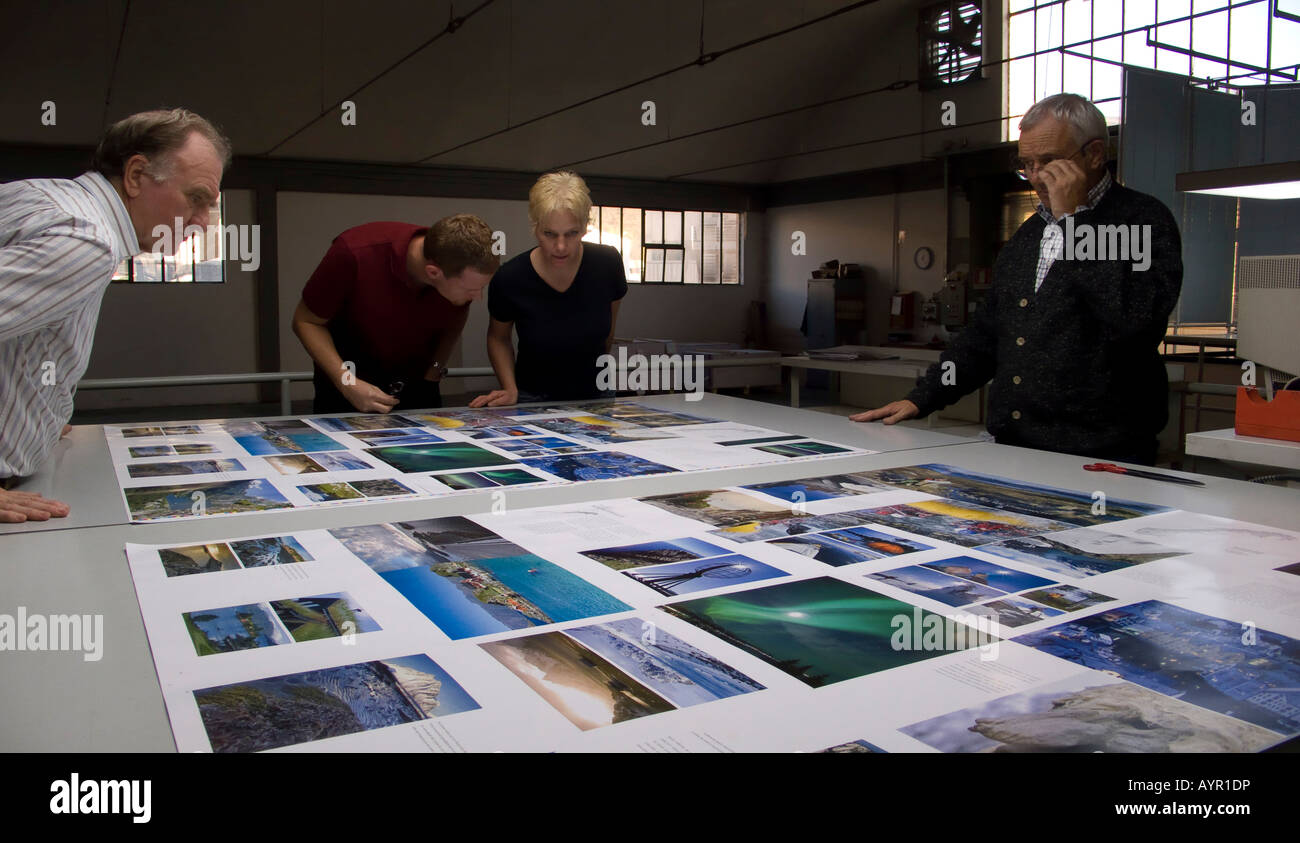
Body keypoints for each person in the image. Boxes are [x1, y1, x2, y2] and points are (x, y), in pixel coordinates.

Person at [852, 93, 1183, 466]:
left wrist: (1074, 222)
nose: (1038, 177)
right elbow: (986, 336)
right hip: (1015, 445)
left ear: (1093, 155)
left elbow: (1134, 322)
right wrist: (924, 397)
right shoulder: (1030, 233)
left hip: (1102, 455)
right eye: (1028, 164)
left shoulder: (1140, 220)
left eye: (1050, 162)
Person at [0, 108, 230, 523]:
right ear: (136, 175)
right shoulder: (86, 241)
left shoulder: (46, 197)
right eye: (196, 198)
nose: (200, 222)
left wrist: (40, 416)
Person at [292, 214, 498, 414]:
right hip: (349, 385)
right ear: (433, 272)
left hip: (420, 385)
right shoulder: (354, 253)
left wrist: (436, 368)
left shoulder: (457, 266)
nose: (478, 297)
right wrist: (348, 383)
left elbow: (456, 316)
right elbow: (306, 322)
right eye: (471, 290)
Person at [470, 171, 626, 407]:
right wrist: (509, 387)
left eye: (572, 233)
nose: (560, 246)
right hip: (531, 396)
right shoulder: (511, 277)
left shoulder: (607, 263)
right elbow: (498, 338)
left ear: (585, 227)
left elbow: (607, 333)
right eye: (549, 234)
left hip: (596, 395)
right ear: (535, 227)